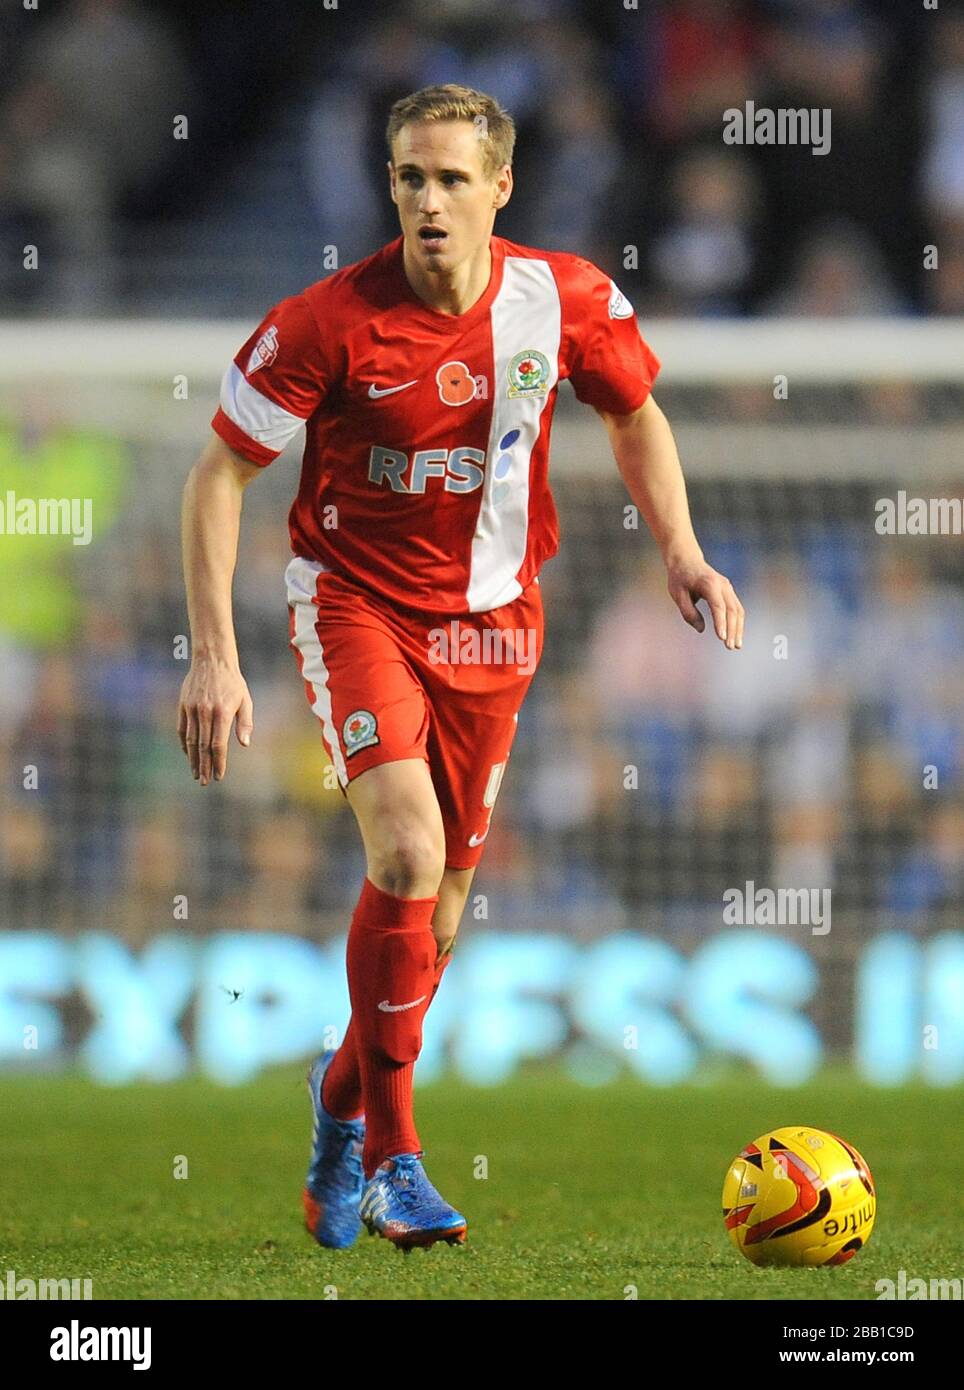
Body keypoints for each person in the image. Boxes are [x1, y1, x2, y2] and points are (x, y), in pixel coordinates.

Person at [178, 84, 744, 1253]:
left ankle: (338, 1103)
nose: (427, 201)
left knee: (432, 927)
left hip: (495, 622)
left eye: (450, 178)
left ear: (501, 189)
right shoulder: (328, 321)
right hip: (353, 604)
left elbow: (635, 412)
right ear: (390, 187)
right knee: (405, 847)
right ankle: (396, 1159)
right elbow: (218, 475)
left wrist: (682, 548)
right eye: (408, 178)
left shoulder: (563, 298)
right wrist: (216, 656)